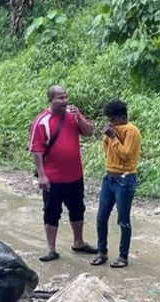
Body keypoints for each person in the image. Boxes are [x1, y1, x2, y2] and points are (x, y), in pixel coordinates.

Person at [28, 85, 98, 262]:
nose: (65, 101)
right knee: (51, 211)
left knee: (77, 209)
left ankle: (79, 242)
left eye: (66, 97)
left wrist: (79, 117)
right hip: (53, 178)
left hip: (75, 175)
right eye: (60, 98)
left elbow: (89, 132)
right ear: (50, 100)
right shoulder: (41, 121)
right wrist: (42, 175)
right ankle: (51, 249)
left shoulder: (73, 116)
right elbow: (36, 150)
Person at [91, 99, 141, 268]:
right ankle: (101, 252)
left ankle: (123, 256)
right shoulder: (115, 131)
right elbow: (109, 152)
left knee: (123, 219)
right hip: (109, 177)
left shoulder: (131, 131)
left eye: (112, 120)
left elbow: (125, 155)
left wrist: (113, 137)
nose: (111, 123)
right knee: (101, 217)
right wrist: (108, 138)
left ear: (120, 117)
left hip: (125, 178)